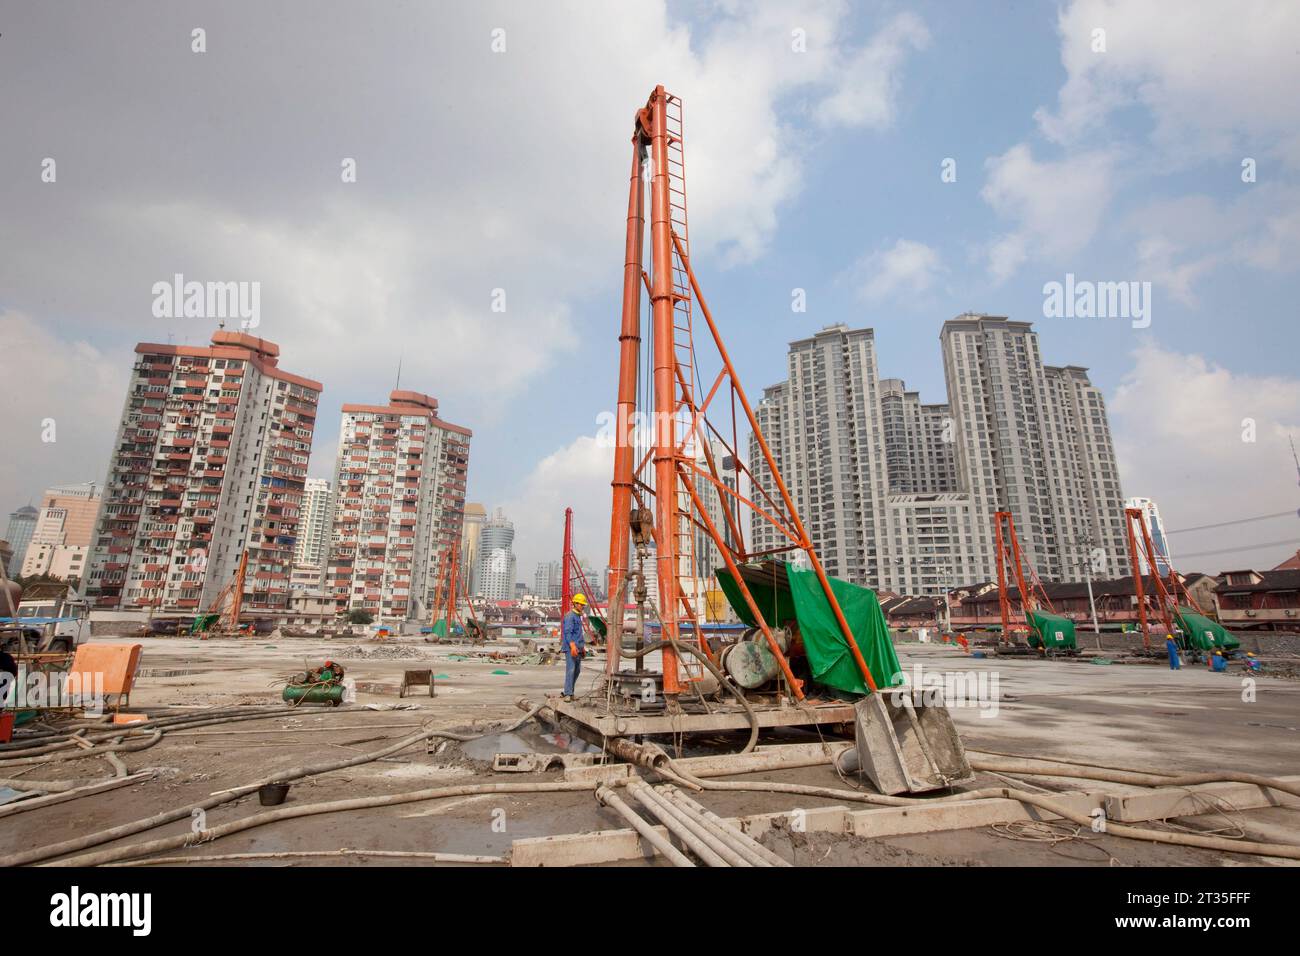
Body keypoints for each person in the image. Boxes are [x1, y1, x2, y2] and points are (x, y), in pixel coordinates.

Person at [560, 593, 588, 701]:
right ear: (575, 604)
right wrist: (572, 646)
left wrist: (582, 648)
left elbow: (578, 634)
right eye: (580, 604)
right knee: (571, 670)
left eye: (583, 605)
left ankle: (570, 692)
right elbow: (568, 633)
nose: (582, 606)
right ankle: (568, 693)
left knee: (577, 671)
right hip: (571, 648)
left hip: (578, 648)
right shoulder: (570, 616)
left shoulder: (577, 616)